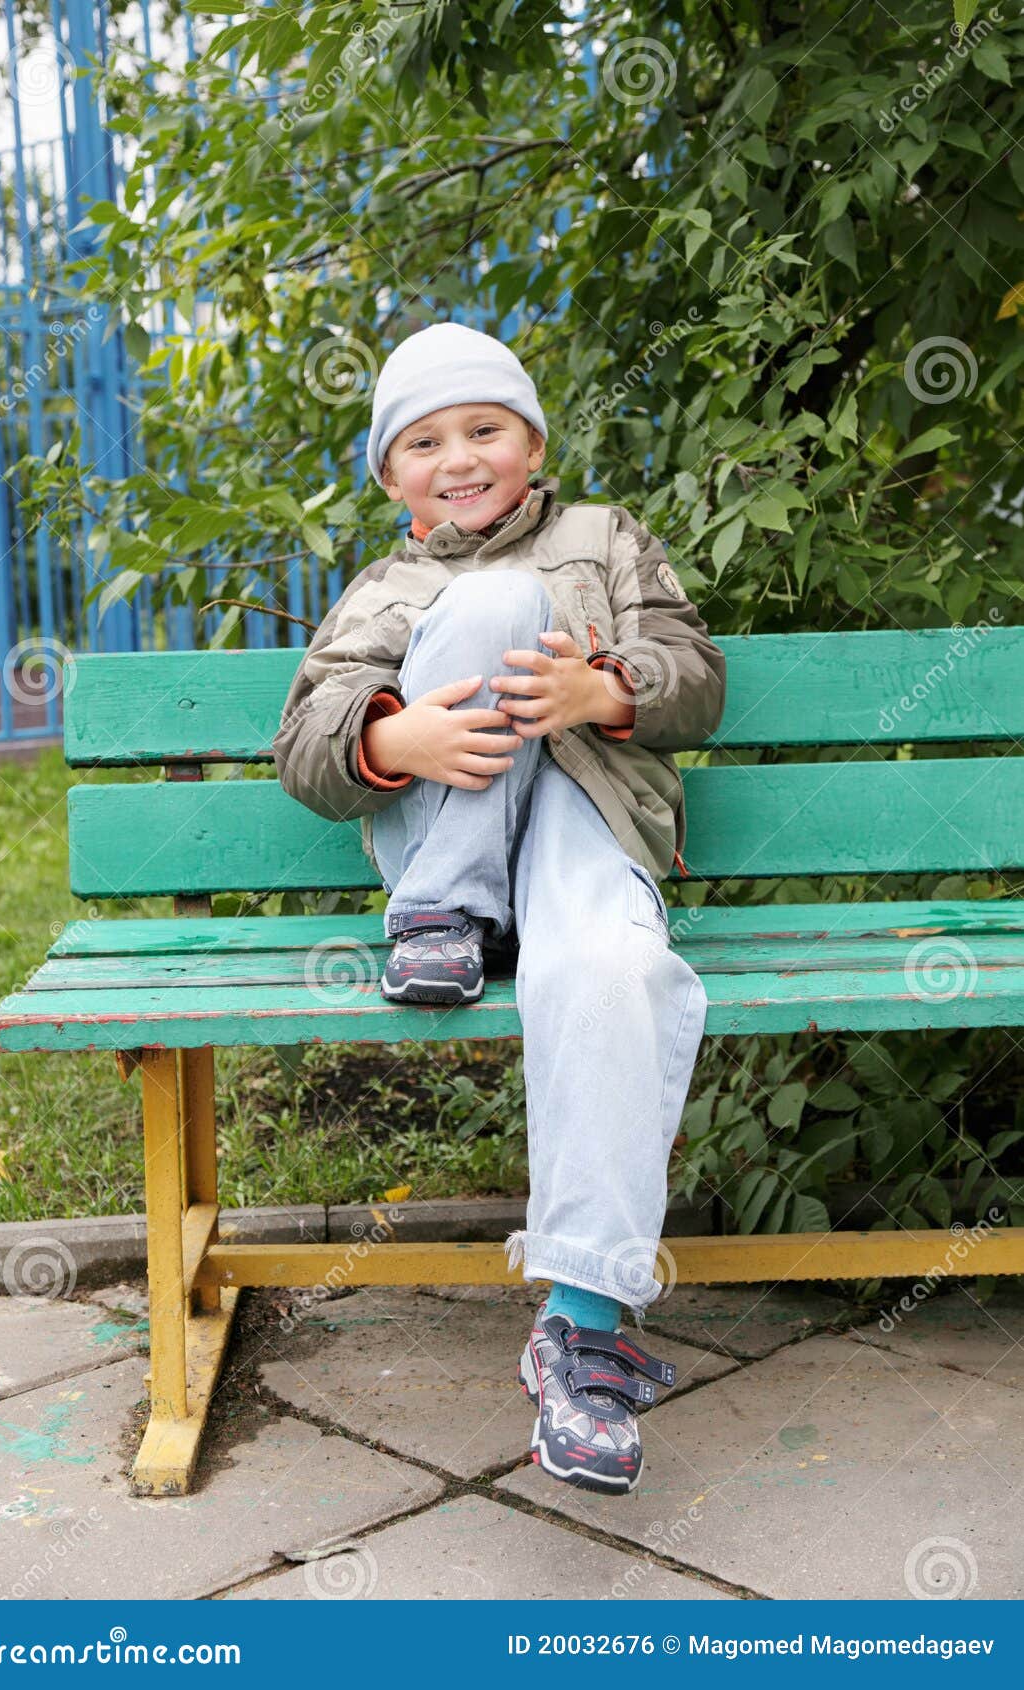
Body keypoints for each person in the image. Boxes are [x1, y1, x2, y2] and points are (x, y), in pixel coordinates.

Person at [272, 321, 726, 1495]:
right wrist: (390, 733)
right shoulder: (387, 585)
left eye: (485, 429)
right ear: (389, 476)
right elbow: (306, 746)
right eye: (424, 441)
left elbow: (692, 674)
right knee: (485, 609)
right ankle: (444, 913)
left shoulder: (602, 538)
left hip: (580, 817)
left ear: (532, 441)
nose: (458, 456)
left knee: (619, 971)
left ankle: (583, 1326)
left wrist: (605, 687)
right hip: (442, 834)